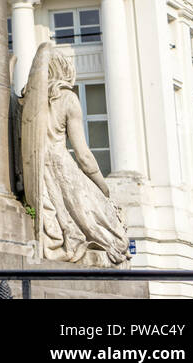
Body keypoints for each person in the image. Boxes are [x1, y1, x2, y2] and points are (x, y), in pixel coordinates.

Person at [30, 44, 130, 263]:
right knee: (104, 226)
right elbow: (84, 156)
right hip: (60, 165)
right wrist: (101, 185)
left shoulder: (30, 100)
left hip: (38, 168)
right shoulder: (68, 99)